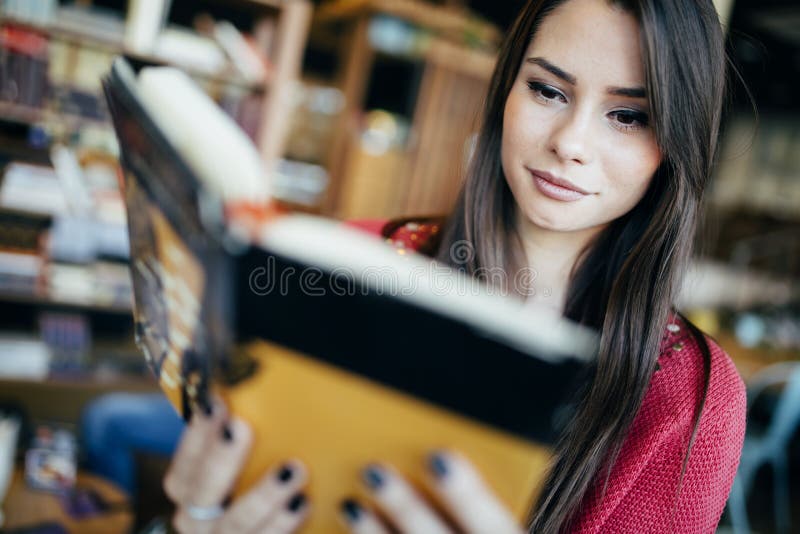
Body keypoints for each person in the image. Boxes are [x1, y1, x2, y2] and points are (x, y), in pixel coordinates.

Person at [161, 0, 747, 532]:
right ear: (506, 90)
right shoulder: (354, 259)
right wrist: (198, 518)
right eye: (547, 90)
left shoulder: (692, 401)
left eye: (628, 116)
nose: (571, 142)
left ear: (676, 144)